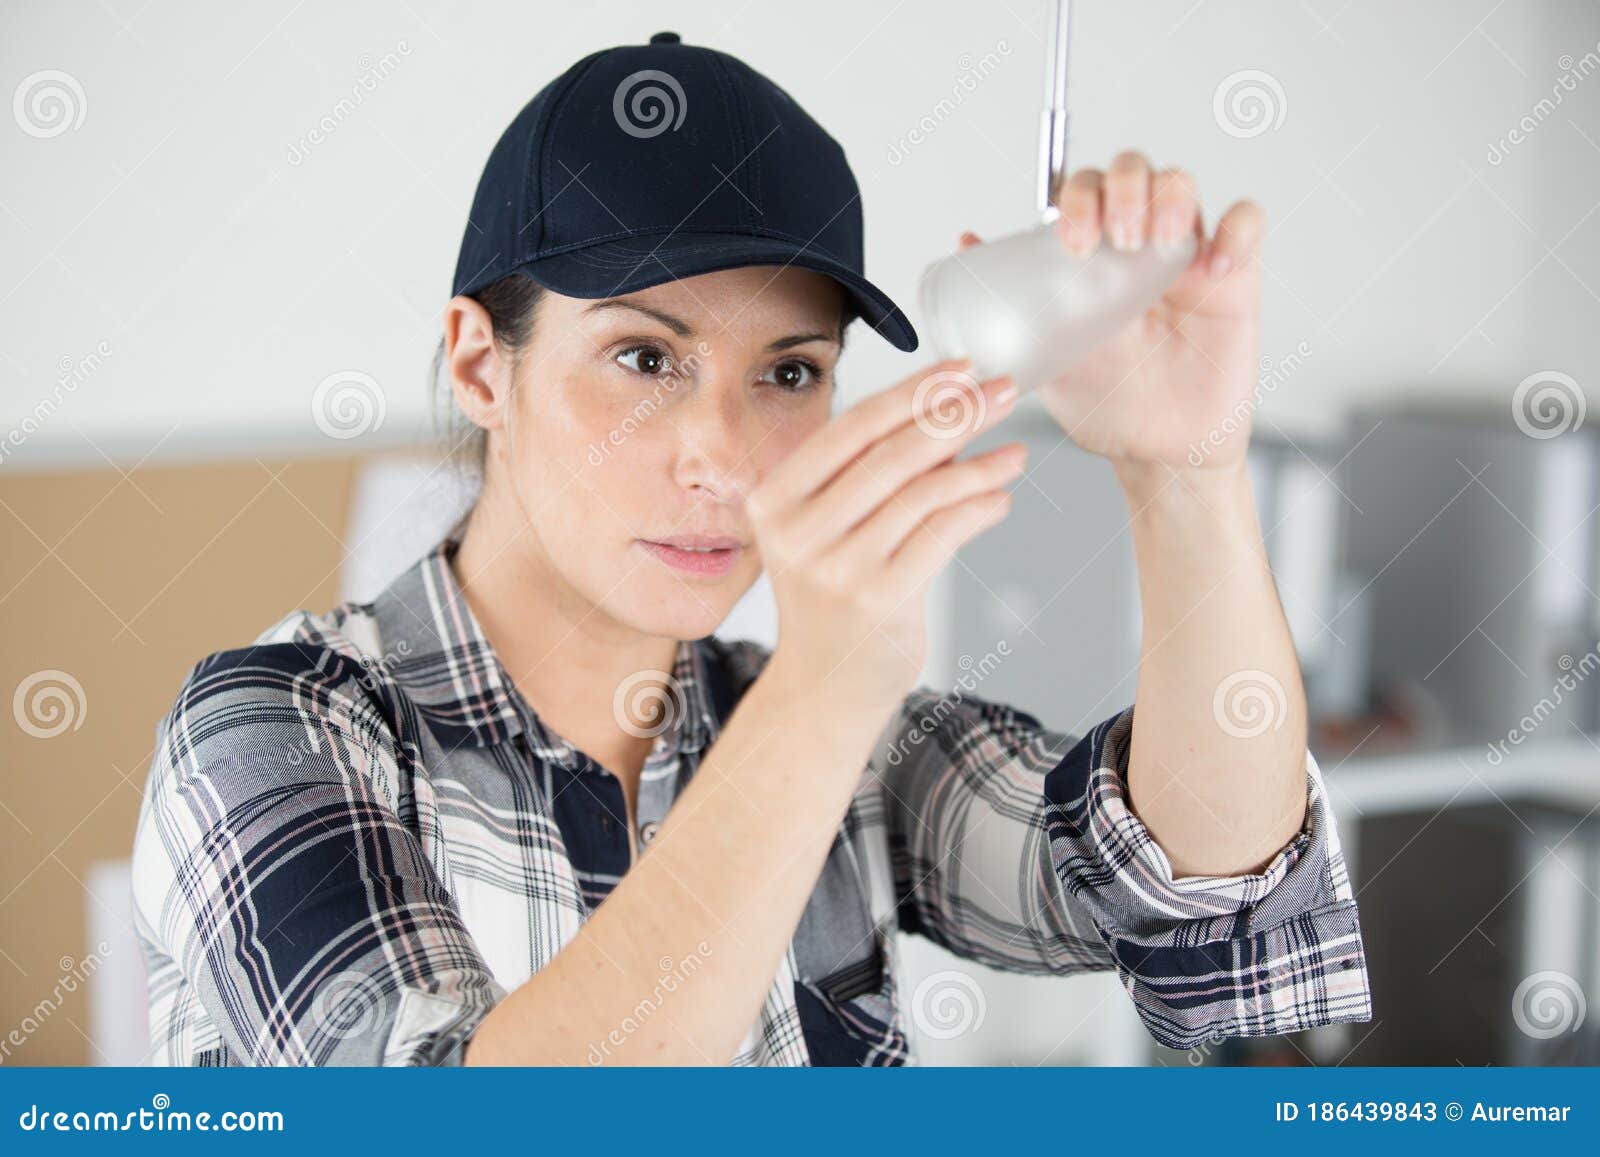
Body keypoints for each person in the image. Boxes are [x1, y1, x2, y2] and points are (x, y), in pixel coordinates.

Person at [131, 30, 1371, 1066]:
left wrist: (1184, 475)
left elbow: (1209, 897)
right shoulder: (273, 729)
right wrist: (827, 685)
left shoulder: (825, 736)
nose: (723, 454)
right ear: (478, 364)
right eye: (645, 357)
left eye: (789, 371)